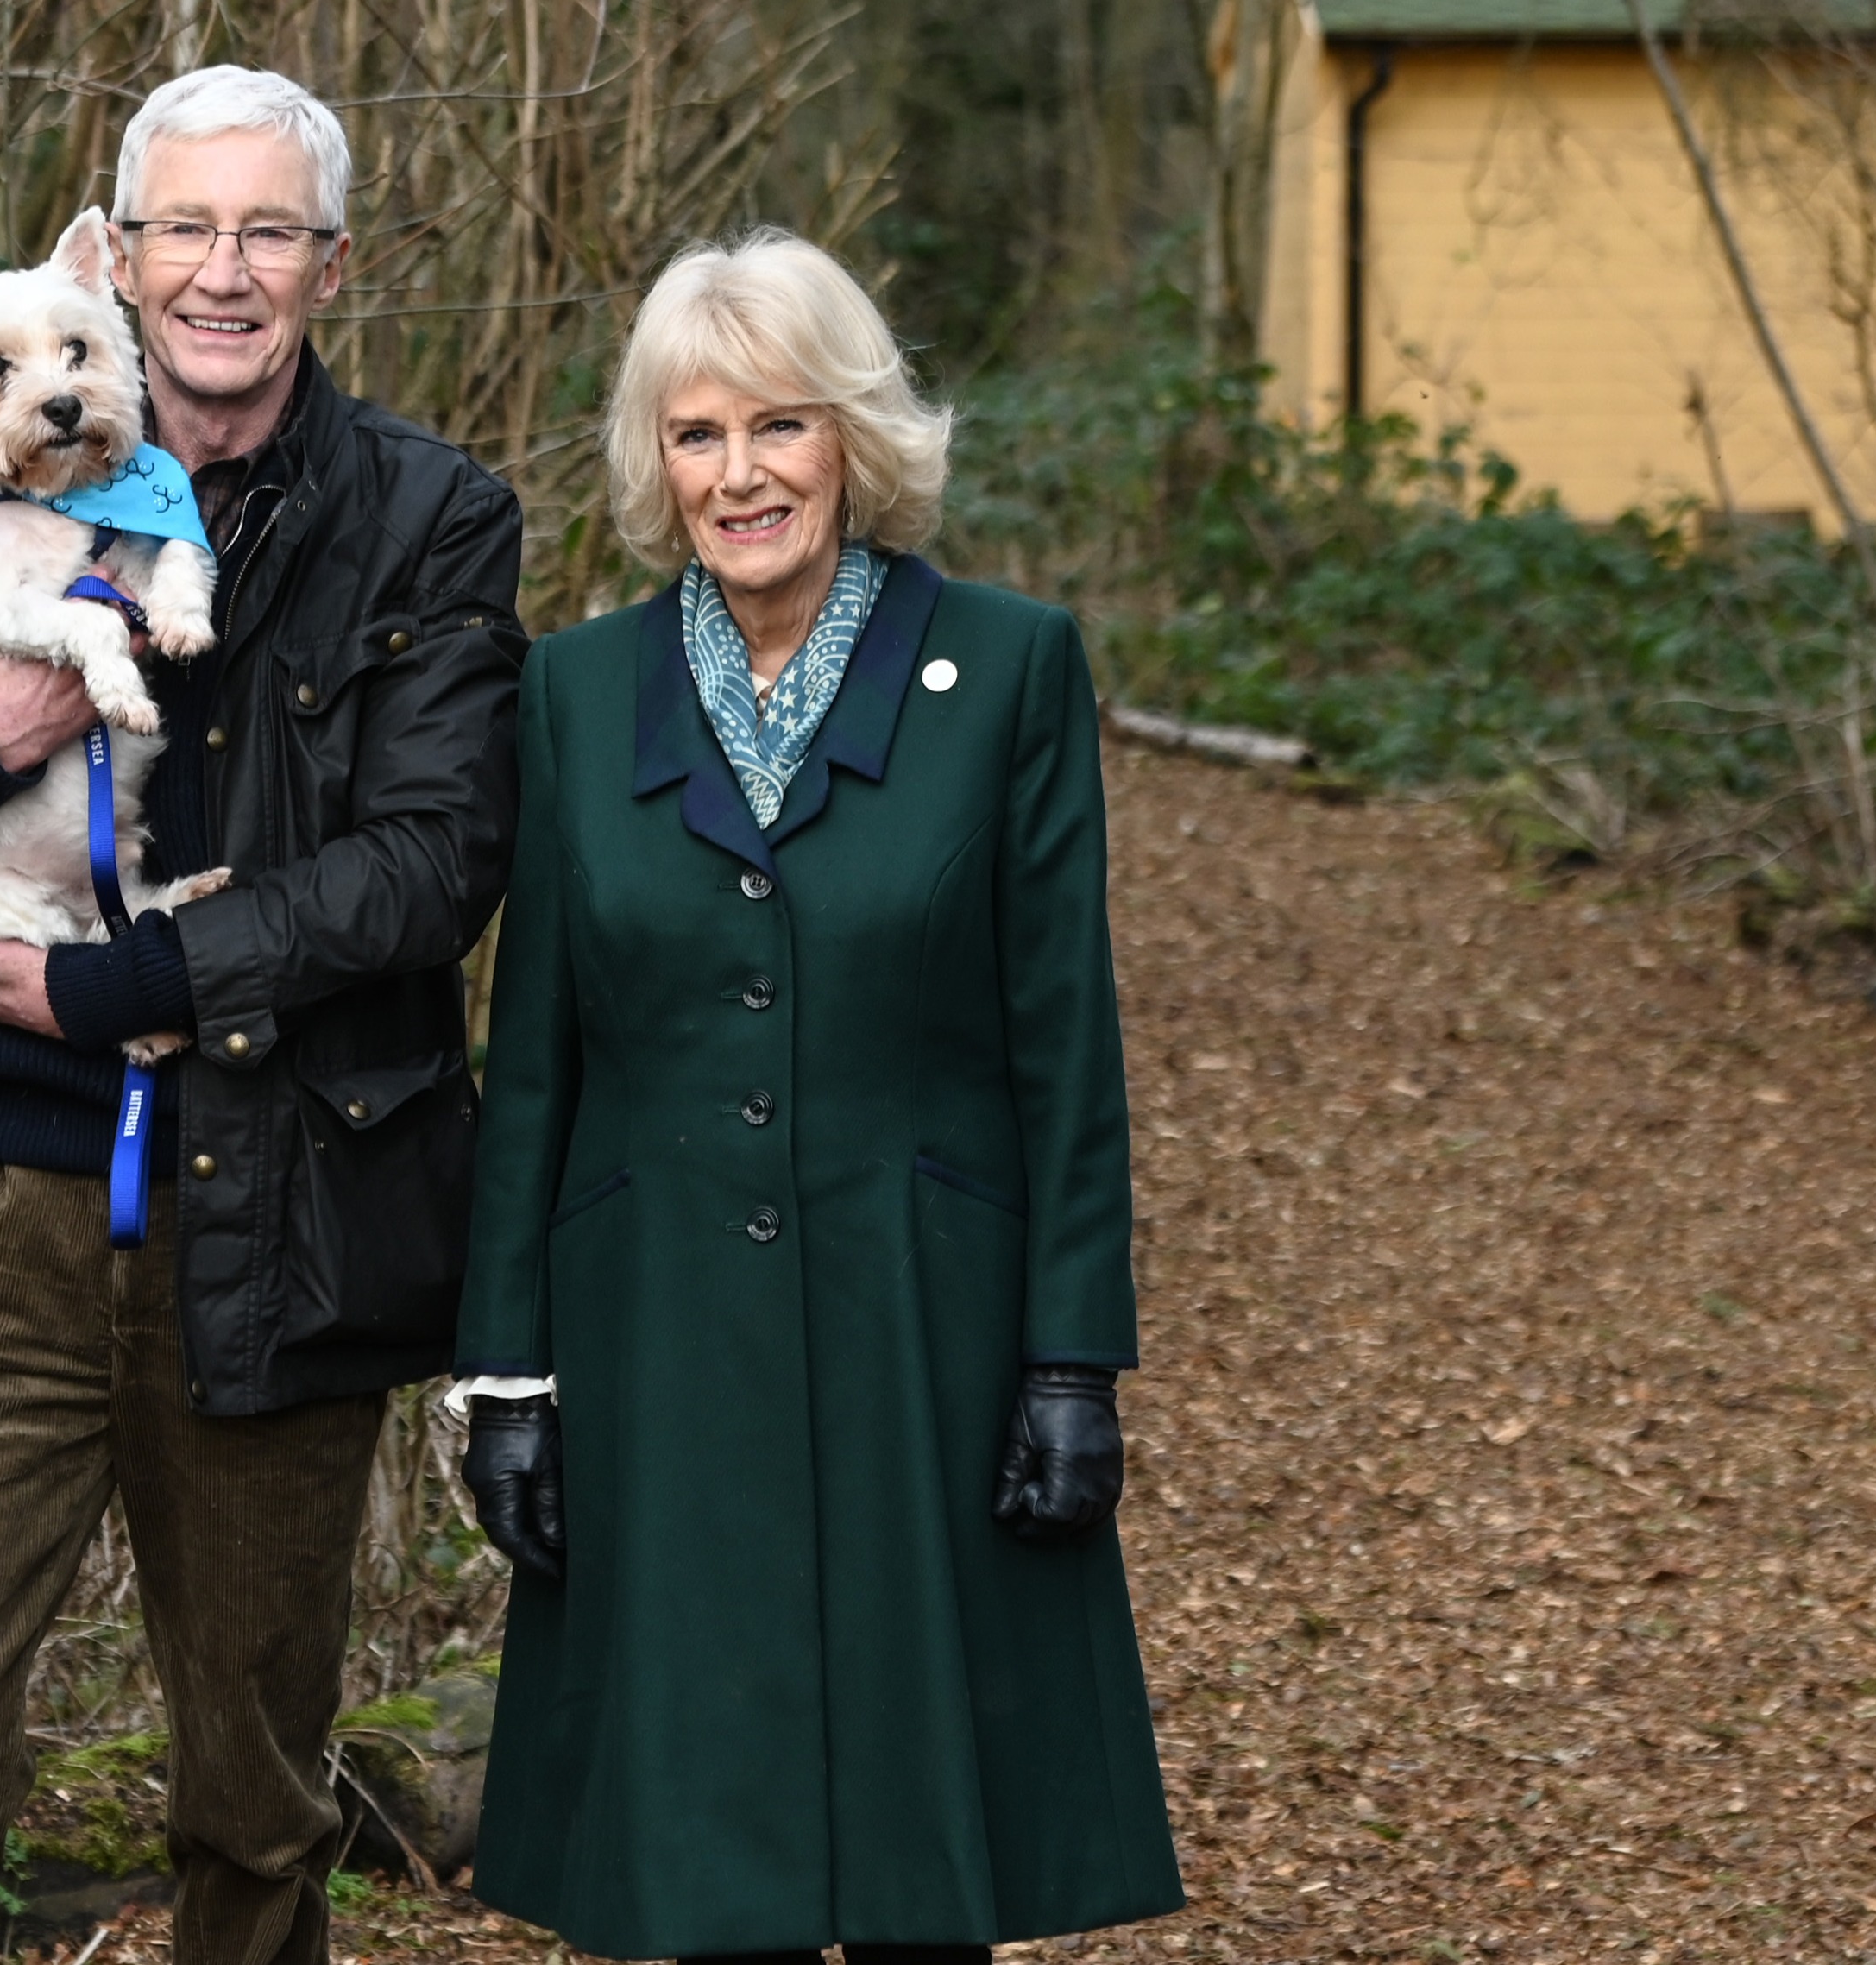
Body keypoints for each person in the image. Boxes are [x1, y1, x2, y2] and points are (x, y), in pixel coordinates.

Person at [0, 66, 526, 1965]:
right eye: (184, 229)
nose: (220, 272)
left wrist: (118, 980)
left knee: (253, 1789)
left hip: (282, 1208)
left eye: (266, 232)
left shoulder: (426, 517)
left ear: (329, 264)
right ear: (124, 252)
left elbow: (431, 866)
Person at [449, 231, 1182, 1964]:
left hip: (922, 1329)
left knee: (931, 1869)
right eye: (696, 433)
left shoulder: (1004, 670)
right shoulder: (574, 692)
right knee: (714, 1863)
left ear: (853, 435)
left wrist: (1073, 1354)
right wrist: (508, 1373)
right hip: (660, 1350)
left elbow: (1064, 1037)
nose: (737, 472)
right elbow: (538, 1054)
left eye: (777, 424)